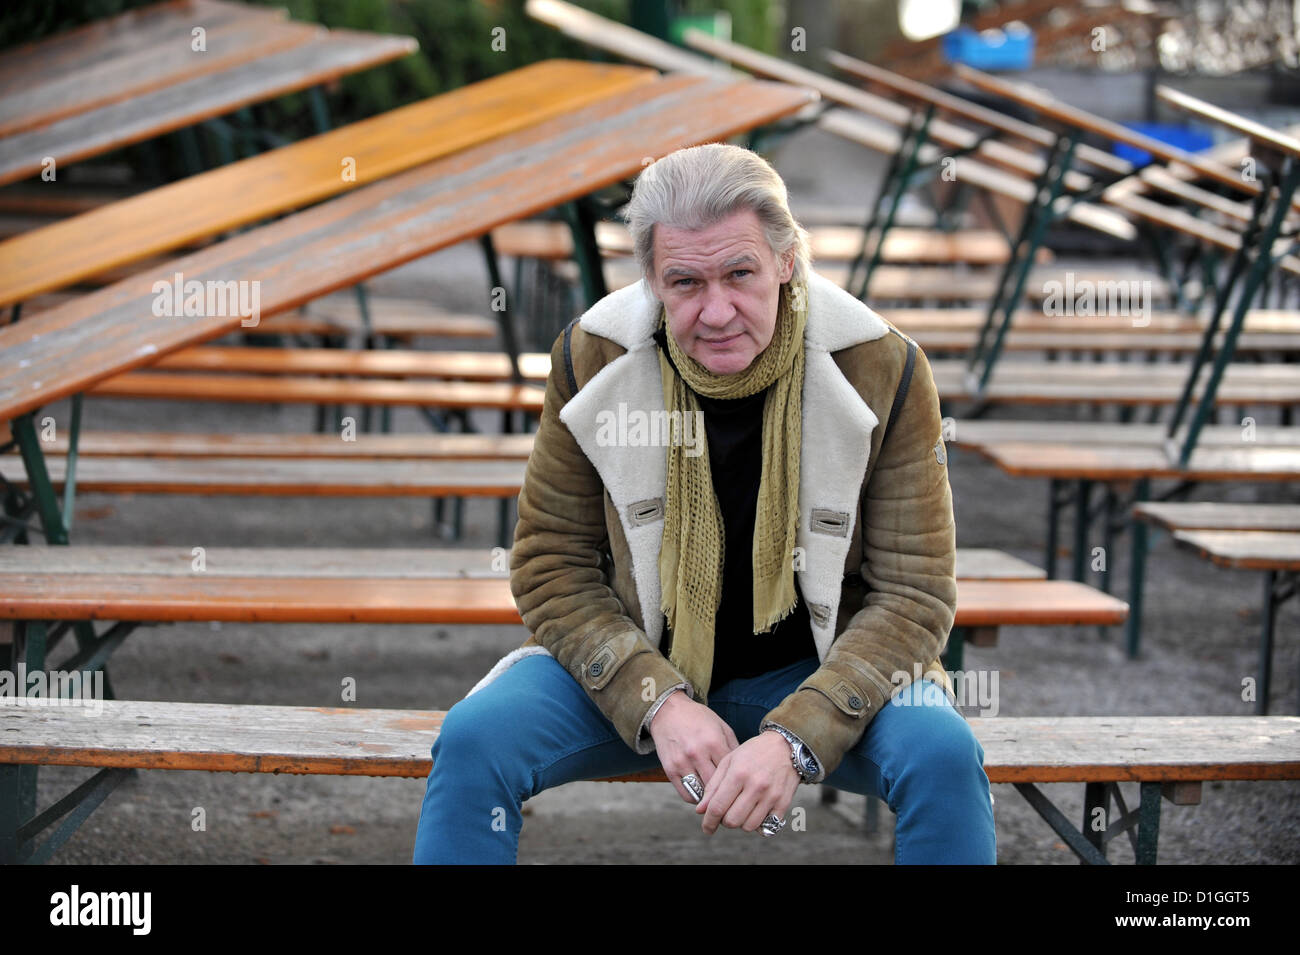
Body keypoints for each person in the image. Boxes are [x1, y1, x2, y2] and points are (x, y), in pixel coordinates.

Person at [413, 143, 995, 864]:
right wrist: (655, 697)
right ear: (652, 280)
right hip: (641, 652)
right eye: (684, 282)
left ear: (786, 261)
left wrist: (799, 734)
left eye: (740, 273)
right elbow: (549, 565)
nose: (716, 311)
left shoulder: (884, 366)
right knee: (474, 740)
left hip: (819, 664)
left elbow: (915, 596)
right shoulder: (591, 356)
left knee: (943, 753)